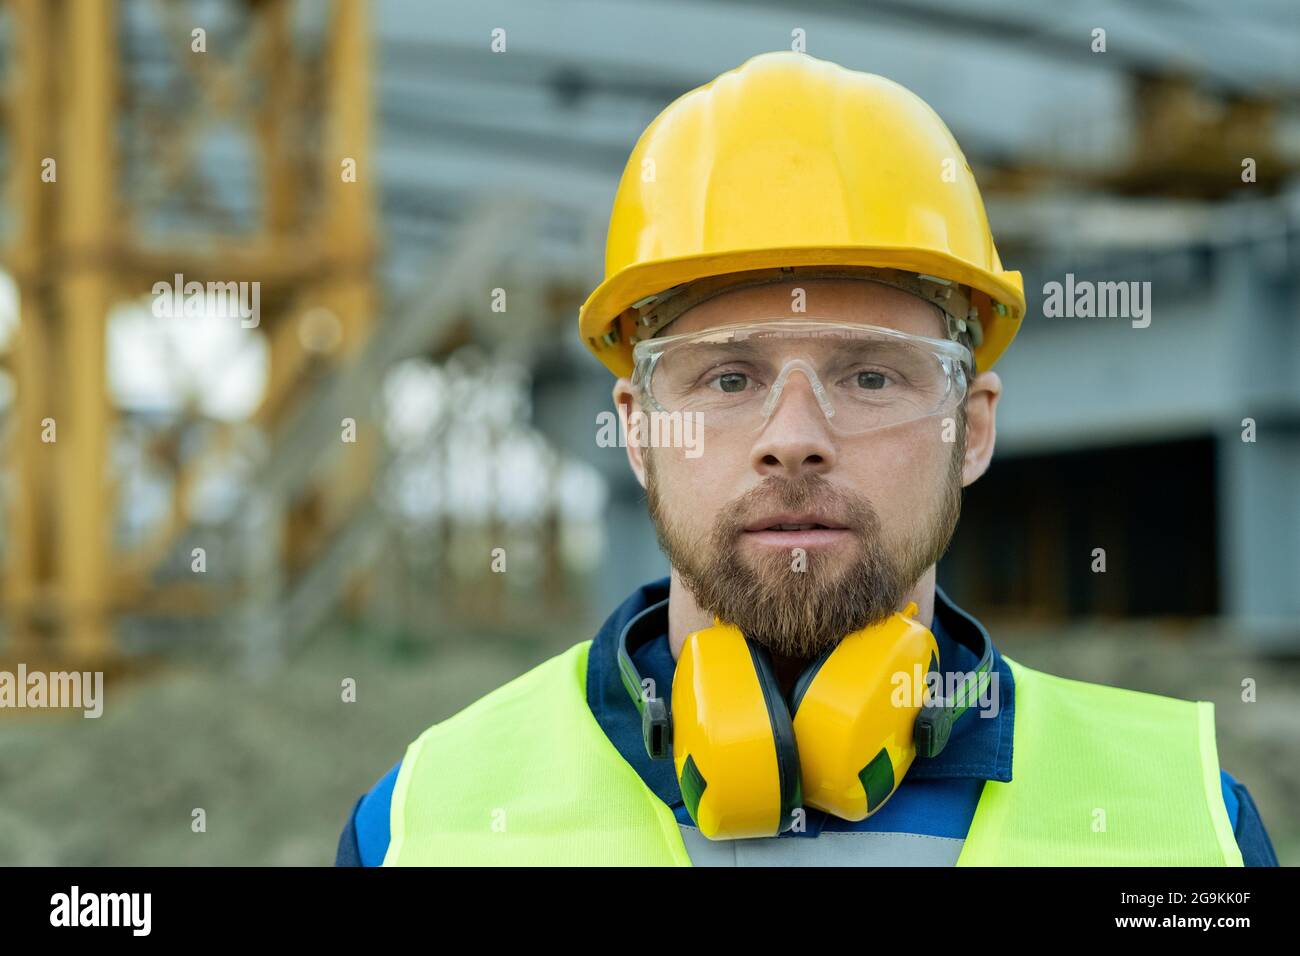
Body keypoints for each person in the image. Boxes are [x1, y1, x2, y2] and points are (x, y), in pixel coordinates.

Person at [336, 51, 1278, 866]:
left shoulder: (1190, 831)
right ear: (636, 428)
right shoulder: (424, 827)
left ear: (973, 429)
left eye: (870, 377)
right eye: (728, 379)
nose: (795, 437)